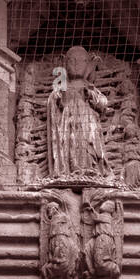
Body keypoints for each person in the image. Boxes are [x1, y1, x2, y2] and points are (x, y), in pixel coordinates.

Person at [47, 45, 111, 179]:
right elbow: (56, 101)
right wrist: (61, 94)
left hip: (88, 122)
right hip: (68, 123)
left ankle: (91, 169)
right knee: (71, 143)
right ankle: (72, 170)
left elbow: (103, 104)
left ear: (87, 64)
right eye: (72, 60)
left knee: (88, 142)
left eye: (81, 61)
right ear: (65, 63)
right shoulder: (62, 87)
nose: (76, 64)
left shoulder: (90, 87)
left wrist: (90, 94)